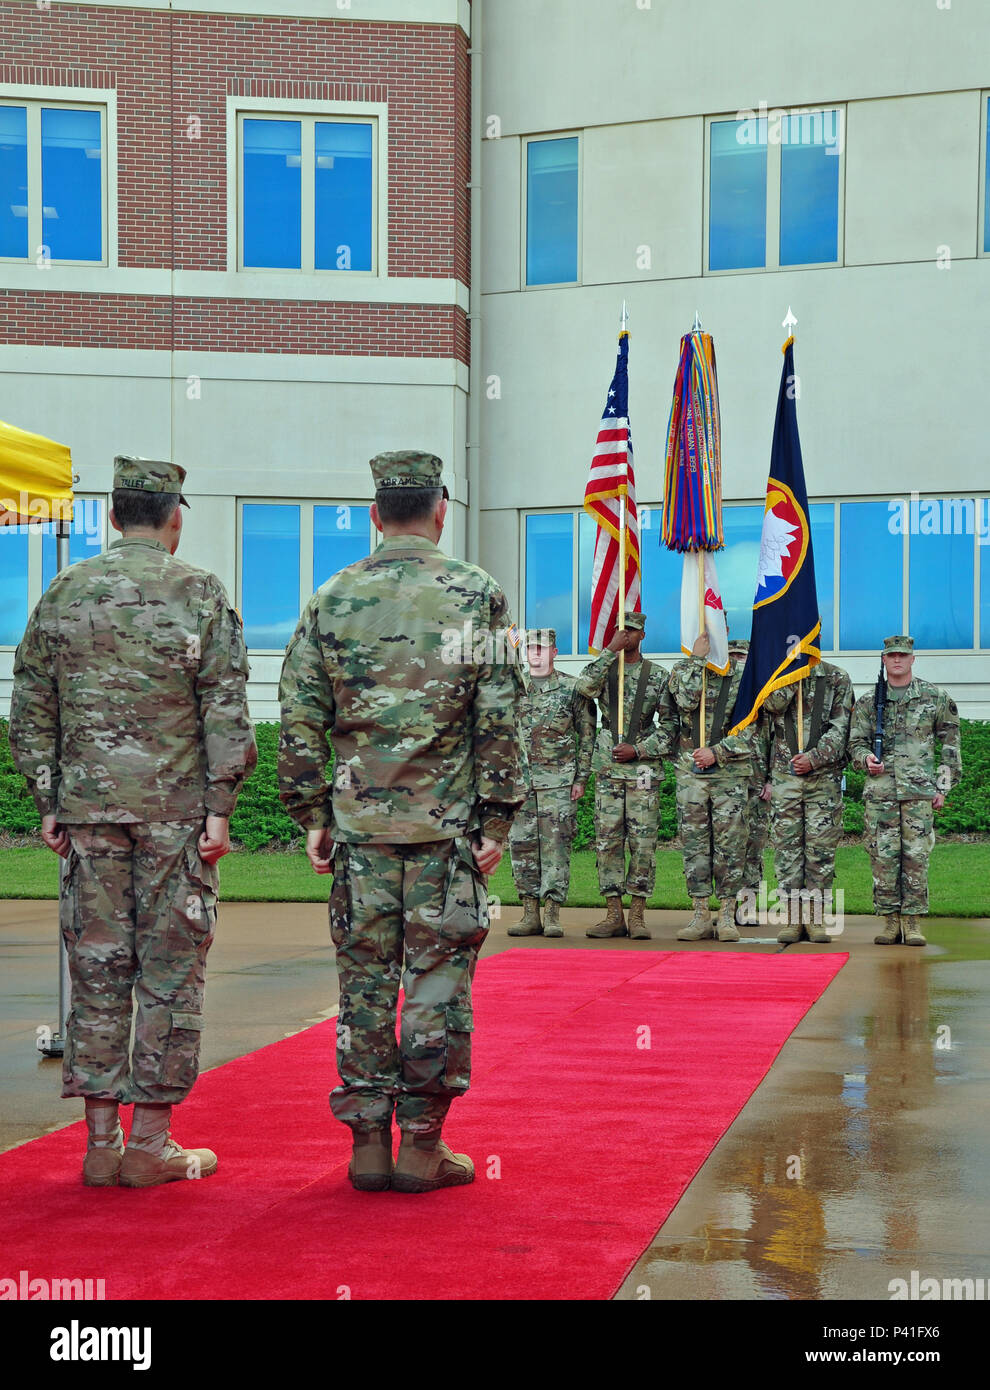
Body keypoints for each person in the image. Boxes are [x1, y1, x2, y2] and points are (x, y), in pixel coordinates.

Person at [277, 451, 525, 1194]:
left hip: (359, 833)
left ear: (376, 513)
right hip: (444, 832)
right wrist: (498, 819)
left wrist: (311, 814)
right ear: (440, 511)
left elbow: (299, 718)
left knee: (364, 985)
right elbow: (501, 717)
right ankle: (421, 1145)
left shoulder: (334, 595)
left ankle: (366, 1145)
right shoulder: (475, 592)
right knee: (436, 985)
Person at [9, 457, 256, 1187]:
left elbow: (31, 712)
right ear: (175, 515)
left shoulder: (64, 592)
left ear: (112, 517)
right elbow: (226, 713)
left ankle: (99, 1142)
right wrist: (219, 812)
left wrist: (50, 802)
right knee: (170, 972)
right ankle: (150, 1142)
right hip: (175, 816)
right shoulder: (200, 592)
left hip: (89, 815)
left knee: (97, 966)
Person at [848, 635, 961, 946]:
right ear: (883, 660)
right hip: (881, 794)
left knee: (916, 857)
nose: (897, 660)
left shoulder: (934, 697)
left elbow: (950, 745)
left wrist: (943, 788)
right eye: (891, 655)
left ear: (913, 659)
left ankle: (912, 923)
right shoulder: (870, 702)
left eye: (903, 655)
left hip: (919, 794)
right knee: (883, 857)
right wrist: (865, 759)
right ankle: (889, 922)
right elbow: (855, 743)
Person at [573, 611, 673, 941]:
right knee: (607, 842)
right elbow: (583, 688)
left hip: (642, 770)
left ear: (643, 635)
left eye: (632, 631)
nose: (626, 635)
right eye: (622, 630)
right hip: (608, 769)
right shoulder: (605, 671)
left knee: (642, 842)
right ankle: (613, 913)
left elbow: (672, 729)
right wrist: (608, 651)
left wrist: (640, 750)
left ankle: (638, 915)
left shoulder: (658, 676)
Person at [665, 631, 753, 943]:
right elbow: (686, 701)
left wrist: (717, 751)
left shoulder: (746, 676)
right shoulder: (683, 670)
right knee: (695, 847)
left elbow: (753, 728)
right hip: (692, 776)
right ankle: (700, 913)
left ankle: (727, 914)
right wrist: (696, 660)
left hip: (729, 774)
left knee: (730, 846)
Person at [507, 629, 595, 939]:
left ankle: (552, 913)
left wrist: (581, 778)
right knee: (522, 848)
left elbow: (587, 737)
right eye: (531, 648)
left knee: (556, 849)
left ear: (554, 652)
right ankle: (529, 913)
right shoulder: (513, 687)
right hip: (520, 784)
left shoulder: (572, 689)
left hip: (558, 783)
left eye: (542, 648)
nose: (536, 653)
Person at [762, 660, 853, 945]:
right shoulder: (775, 674)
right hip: (785, 777)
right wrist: (789, 675)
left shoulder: (836, 677)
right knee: (787, 850)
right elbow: (771, 707)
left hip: (822, 778)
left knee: (820, 851)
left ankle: (814, 917)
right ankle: (792, 917)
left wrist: (814, 758)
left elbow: (842, 728)